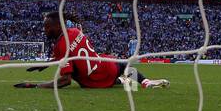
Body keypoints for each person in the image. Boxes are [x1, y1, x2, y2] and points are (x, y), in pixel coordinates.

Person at [13, 11, 169, 90]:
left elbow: (65, 80)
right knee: (124, 64)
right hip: (104, 69)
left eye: (47, 27)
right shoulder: (75, 31)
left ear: (57, 26)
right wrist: (47, 64)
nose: (45, 30)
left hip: (91, 83)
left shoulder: (60, 46)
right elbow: (70, 55)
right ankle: (144, 82)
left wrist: (36, 86)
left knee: (114, 69)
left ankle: (127, 81)